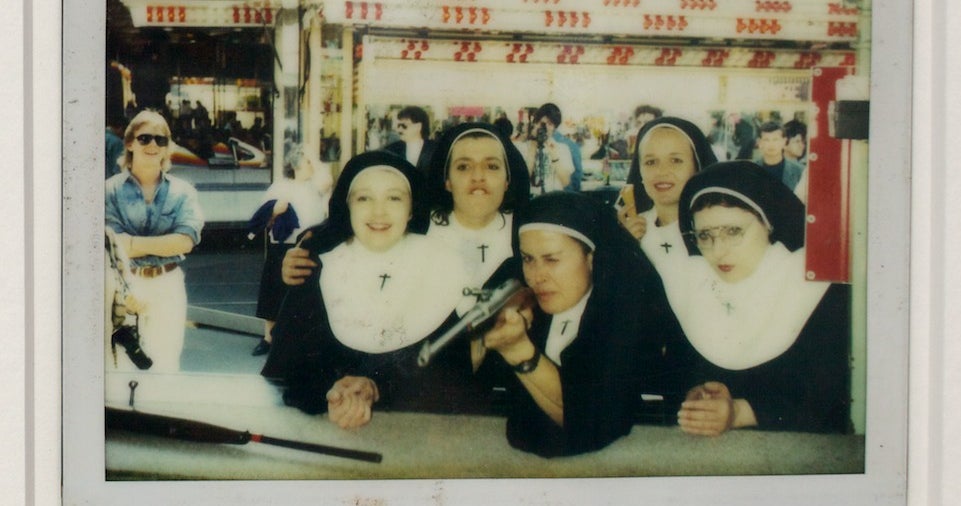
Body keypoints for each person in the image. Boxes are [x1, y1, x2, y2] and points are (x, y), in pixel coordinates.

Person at [262, 151, 471, 428]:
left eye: (394, 198)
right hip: (328, 432)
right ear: (347, 206)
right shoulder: (318, 266)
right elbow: (288, 370)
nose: (378, 211)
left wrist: (378, 386)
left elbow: (456, 377)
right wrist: (335, 390)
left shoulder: (441, 266)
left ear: (411, 209)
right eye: (364, 198)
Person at [479, 191, 676, 457]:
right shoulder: (519, 293)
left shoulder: (624, 308)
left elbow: (591, 425)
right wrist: (481, 333)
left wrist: (518, 351)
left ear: (591, 258)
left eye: (552, 259)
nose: (537, 277)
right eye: (528, 259)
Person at [668, 161, 851, 436]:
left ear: (767, 223)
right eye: (705, 235)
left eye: (733, 231)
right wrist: (697, 395)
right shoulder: (691, 285)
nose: (718, 250)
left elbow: (830, 403)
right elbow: (675, 378)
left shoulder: (814, 288)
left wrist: (741, 412)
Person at [105, 110, 205, 372]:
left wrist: (131, 244)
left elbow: (186, 241)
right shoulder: (109, 191)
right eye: (145, 138)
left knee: (166, 364)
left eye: (160, 140)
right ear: (129, 143)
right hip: (124, 285)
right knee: (122, 368)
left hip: (168, 286)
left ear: (167, 147)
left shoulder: (184, 192)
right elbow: (110, 244)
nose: (152, 146)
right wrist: (162, 243)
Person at [248, 144, 332, 356]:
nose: (312, 166)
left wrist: (313, 156)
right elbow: (263, 219)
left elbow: (327, 179)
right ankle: (268, 338)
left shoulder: (314, 186)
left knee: (304, 295)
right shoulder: (279, 187)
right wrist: (275, 210)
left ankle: (298, 339)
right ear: (297, 165)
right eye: (308, 162)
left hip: (307, 246)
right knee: (273, 294)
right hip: (281, 246)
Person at [527, 103, 581, 193]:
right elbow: (522, 180)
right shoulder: (525, 147)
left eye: (550, 124)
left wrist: (554, 155)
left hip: (554, 201)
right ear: (535, 123)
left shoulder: (563, 148)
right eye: (542, 123)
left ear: (555, 128)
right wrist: (533, 146)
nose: (546, 128)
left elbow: (566, 183)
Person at [382, 106, 437, 176]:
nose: (399, 130)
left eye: (403, 126)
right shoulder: (391, 150)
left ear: (418, 126)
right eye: (398, 126)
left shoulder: (435, 150)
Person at [754, 121, 805, 192]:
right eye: (766, 140)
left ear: (784, 142)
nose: (771, 144)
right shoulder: (751, 169)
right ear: (759, 143)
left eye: (775, 139)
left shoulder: (800, 171)